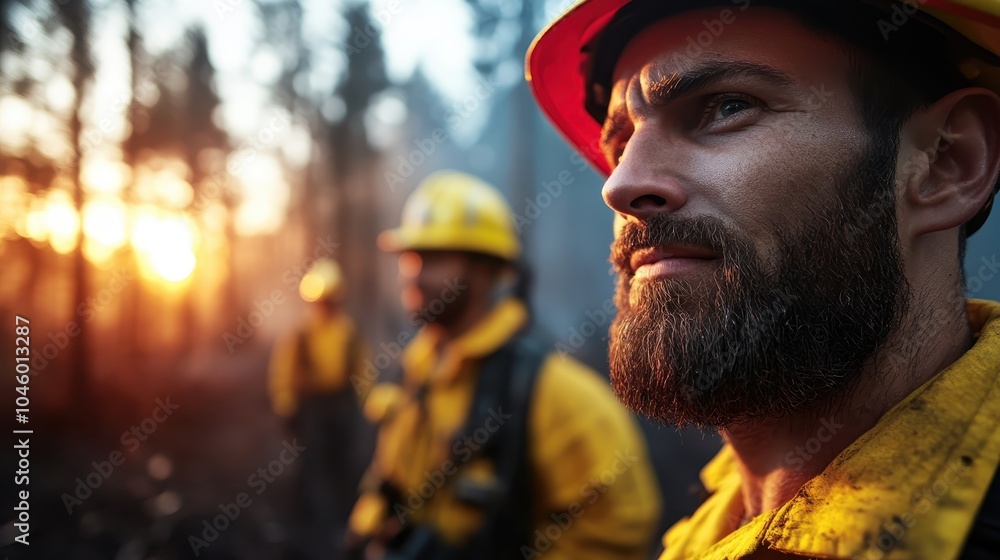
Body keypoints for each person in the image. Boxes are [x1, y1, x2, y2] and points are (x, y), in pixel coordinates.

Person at [526, 1, 1000, 558]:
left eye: (727, 106)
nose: (620, 184)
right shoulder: (701, 538)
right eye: (620, 142)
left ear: (947, 163)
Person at [346, 170, 661, 559]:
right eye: (410, 257)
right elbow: (389, 481)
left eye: (435, 258)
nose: (414, 273)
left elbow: (616, 531)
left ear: (485, 271)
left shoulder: (555, 393)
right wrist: (367, 535)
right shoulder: (416, 373)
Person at [268, 259, 370, 560]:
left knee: (345, 461)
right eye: (321, 301)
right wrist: (286, 405)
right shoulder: (299, 334)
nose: (326, 306)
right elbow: (282, 372)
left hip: (342, 403)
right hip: (311, 406)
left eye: (330, 300)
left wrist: (367, 402)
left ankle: (344, 518)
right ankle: (302, 518)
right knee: (309, 462)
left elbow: (363, 370)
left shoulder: (349, 331)